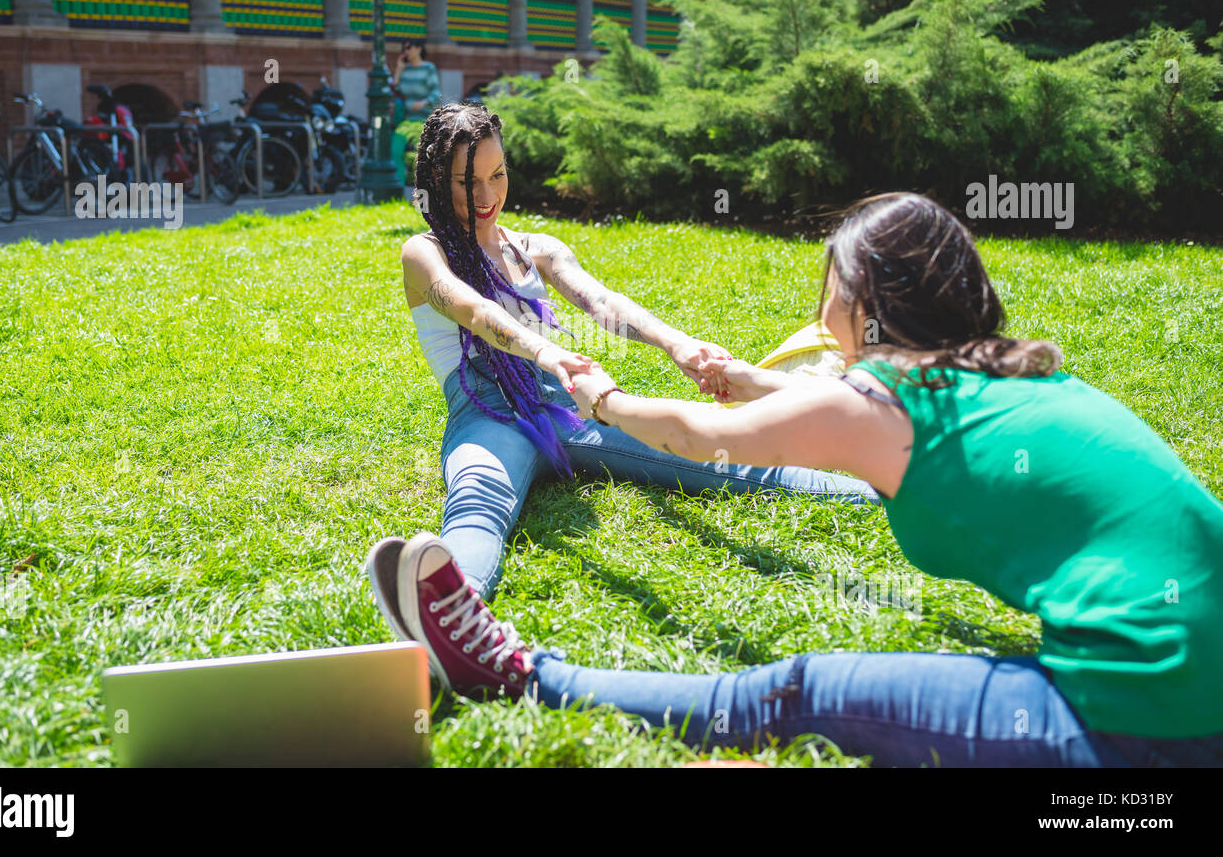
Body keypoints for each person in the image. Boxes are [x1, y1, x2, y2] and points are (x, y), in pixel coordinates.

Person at [377, 191, 1223, 767]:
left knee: (795, 693)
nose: (822, 310)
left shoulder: (877, 408)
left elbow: (699, 437)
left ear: (865, 304)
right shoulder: (1003, 373)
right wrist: (752, 379)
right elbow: (849, 403)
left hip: (1147, 737)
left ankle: (518, 674)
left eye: (832, 286)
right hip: (1196, 692)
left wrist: (607, 397)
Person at [364, 102, 878, 630]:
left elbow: (602, 303)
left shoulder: (535, 248)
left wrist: (677, 345)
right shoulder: (423, 254)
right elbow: (473, 309)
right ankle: (446, 623)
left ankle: (881, 490)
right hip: (488, 416)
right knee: (479, 495)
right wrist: (544, 349)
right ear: (434, 181)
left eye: (498, 175)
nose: (488, 196)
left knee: (712, 451)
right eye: (467, 182)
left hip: (567, 404)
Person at [391, 39, 442, 124]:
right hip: (404, 120)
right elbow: (396, 91)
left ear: (419, 49)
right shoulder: (404, 69)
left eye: (409, 48)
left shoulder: (428, 68)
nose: (406, 51)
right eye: (404, 49)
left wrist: (423, 103)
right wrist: (399, 69)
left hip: (425, 120)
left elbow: (436, 93)